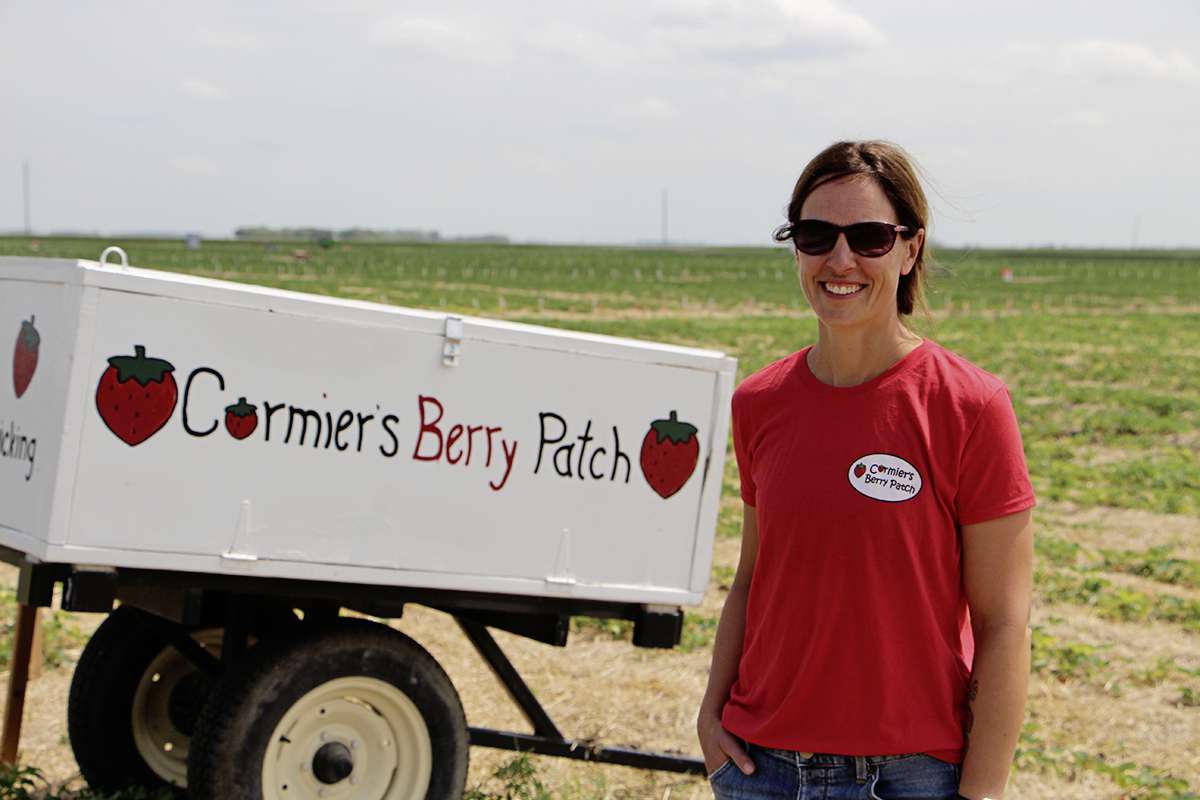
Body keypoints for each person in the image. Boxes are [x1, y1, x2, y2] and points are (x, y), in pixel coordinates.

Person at [696, 140, 1035, 800]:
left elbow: (1005, 624)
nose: (840, 259)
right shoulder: (760, 404)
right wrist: (711, 716)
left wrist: (983, 792)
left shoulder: (970, 407)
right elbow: (752, 579)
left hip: (910, 776)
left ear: (910, 249)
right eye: (816, 235)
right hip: (759, 770)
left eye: (870, 237)